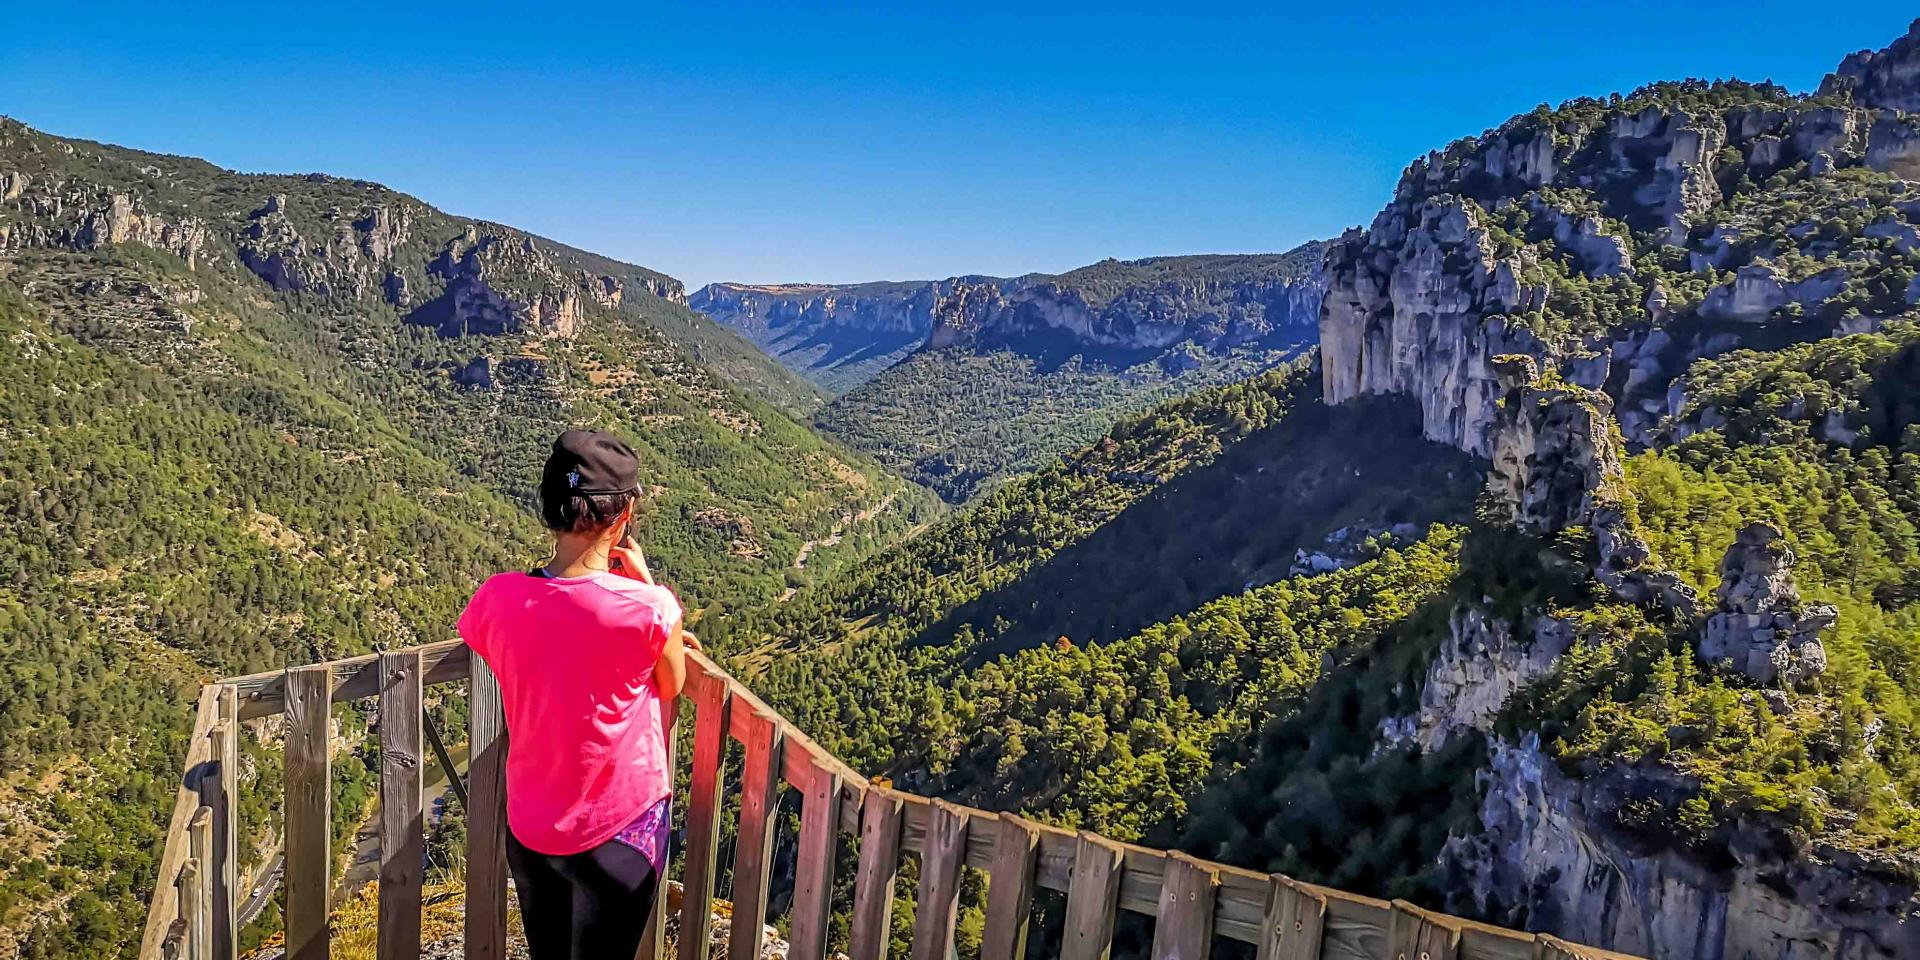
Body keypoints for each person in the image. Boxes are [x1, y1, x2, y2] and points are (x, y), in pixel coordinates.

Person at [458, 429, 692, 960]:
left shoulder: (496, 598)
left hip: (532, 825)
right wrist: (647, 587)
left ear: (549, 509)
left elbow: (523, 649)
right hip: (620, 831)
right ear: (624, 515)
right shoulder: (649, 610)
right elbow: (671, 682)